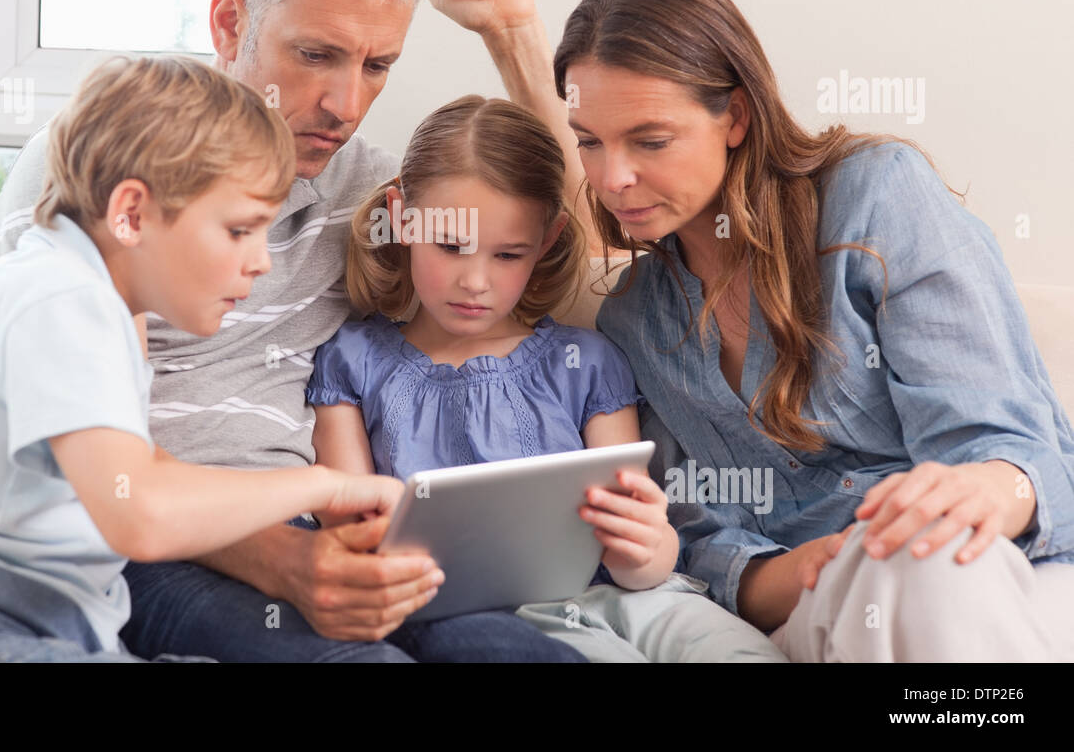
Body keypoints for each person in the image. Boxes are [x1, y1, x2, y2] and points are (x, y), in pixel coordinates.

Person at [0, 0, 589, 662]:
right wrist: (291, 546)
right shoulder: (101, 186)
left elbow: (572, 255)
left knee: (510, 651)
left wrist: (512, 36)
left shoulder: (379, 198)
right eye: (317, 54)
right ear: (231, 22)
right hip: (163, 554)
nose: (346, 103)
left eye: (378, 66)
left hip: (266, 537)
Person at [551, 0, 1074, 661]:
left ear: (735, 116)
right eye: (588, 140)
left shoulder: (876, 199)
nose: (612, 177)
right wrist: (802, 570)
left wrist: (987, 489)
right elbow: (696, 541)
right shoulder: (636, 317)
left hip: (983, 575)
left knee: (927, 557)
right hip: (822, 608)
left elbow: (1022, 457)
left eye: (650, 140)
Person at [0, 54, 408, 662]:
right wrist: (320, 486)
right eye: (240, 230)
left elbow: (137, 473)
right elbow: (140, 516)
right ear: (131, 214)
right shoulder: (58, 297)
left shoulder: (94, 299)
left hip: (52, 627)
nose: (261, 260)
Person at [307, 94, 789, 661]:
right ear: (402, 218)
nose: (475, 281)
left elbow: (644, 553)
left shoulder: (588, 362)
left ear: (549, 239)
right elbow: (347, 528)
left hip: (621, 598)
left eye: (508, 254)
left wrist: (646, 548)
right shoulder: (353, 361)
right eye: (450, 245)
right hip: (483, 620)